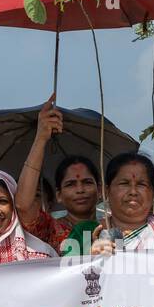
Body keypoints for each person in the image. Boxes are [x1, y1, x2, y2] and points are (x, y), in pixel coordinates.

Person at [14, 97, 102, 254]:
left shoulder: (112, 229)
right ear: (58, 195)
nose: (80, 189)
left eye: (87, 182)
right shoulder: (49, 229)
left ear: (101, 190)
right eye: (70, 184)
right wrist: (41, 138)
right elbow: (23, 206)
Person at [89, 153, 154, 253]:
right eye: (124, 183)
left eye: (141, 184)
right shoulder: (89, 232)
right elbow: (76, 270)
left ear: (152, 192)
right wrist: (92, 259)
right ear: (107, 190)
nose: (133, 192)